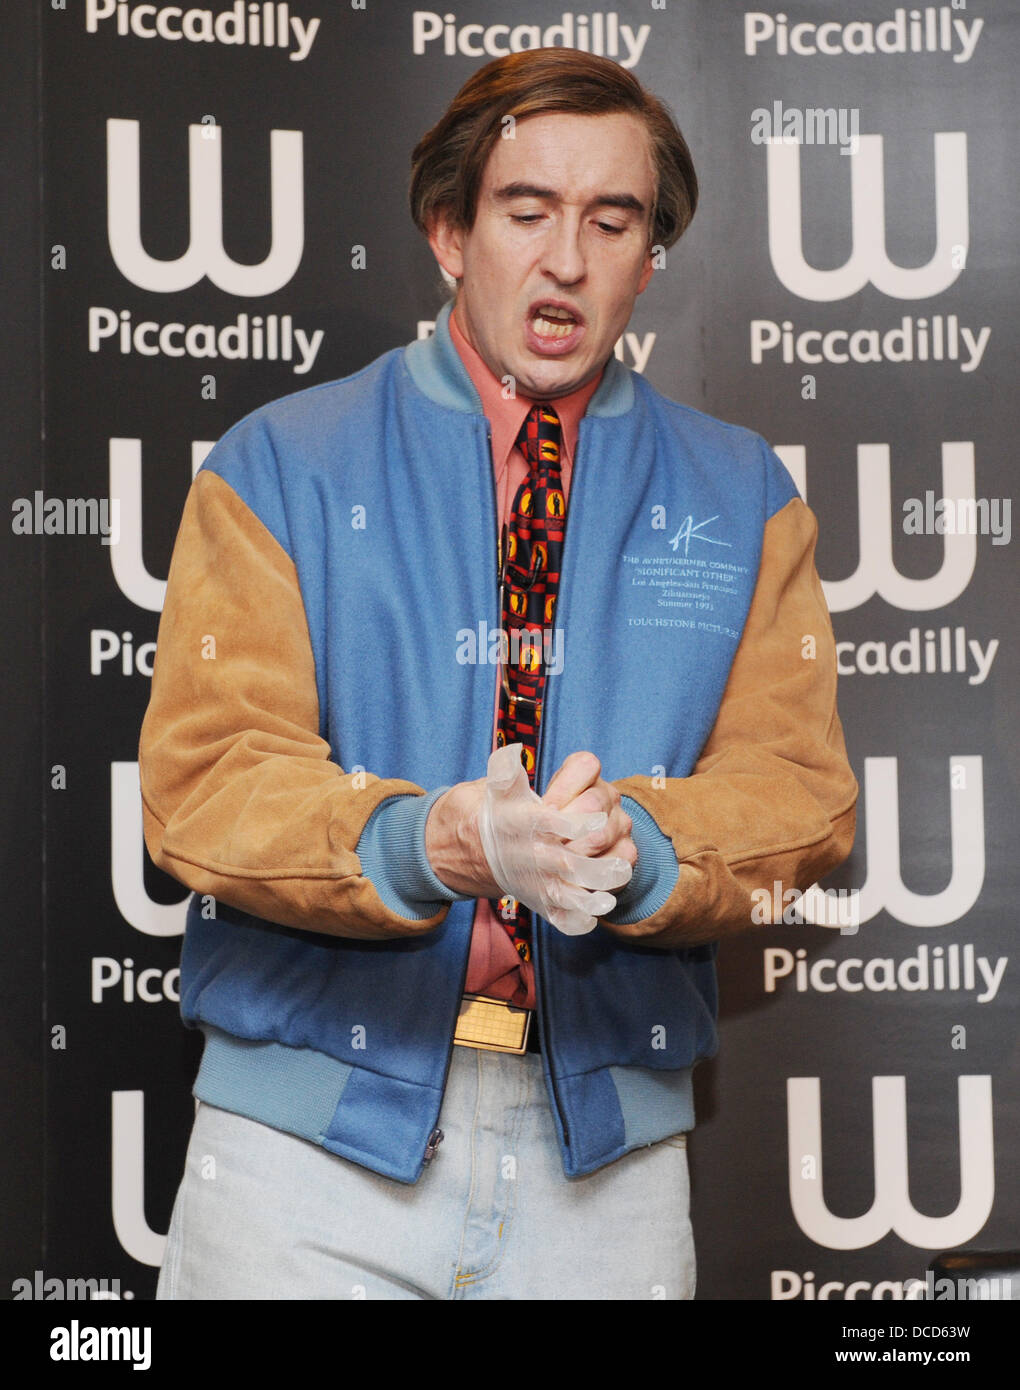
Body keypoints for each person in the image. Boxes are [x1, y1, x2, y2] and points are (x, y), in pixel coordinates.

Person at [139, 47, 857, 1301]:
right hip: (305, 1162)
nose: (568, 259)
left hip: (610, 1170)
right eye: (528, 211)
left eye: (612, 219)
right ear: (449, 231)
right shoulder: (277, 465)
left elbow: (799, 789)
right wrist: (437, 840)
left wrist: (638, 842)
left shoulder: (742, 497)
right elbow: (206, 781)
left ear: (652, 254)